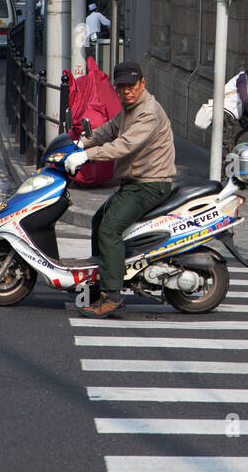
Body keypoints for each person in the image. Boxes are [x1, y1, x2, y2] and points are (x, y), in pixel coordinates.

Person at [64, 61, 176, 318]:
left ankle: (112, 296)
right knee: (98, 220)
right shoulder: (129, 109)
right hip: (135, 183)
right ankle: (97, 281)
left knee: (109, 228)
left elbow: (123, 145)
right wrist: (81, 142)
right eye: (121, 86)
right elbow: (109, 130)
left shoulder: (148, 112)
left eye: (131, 85)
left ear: (142, 84)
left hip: (150, 184)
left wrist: (87, 156)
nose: (126, 91)